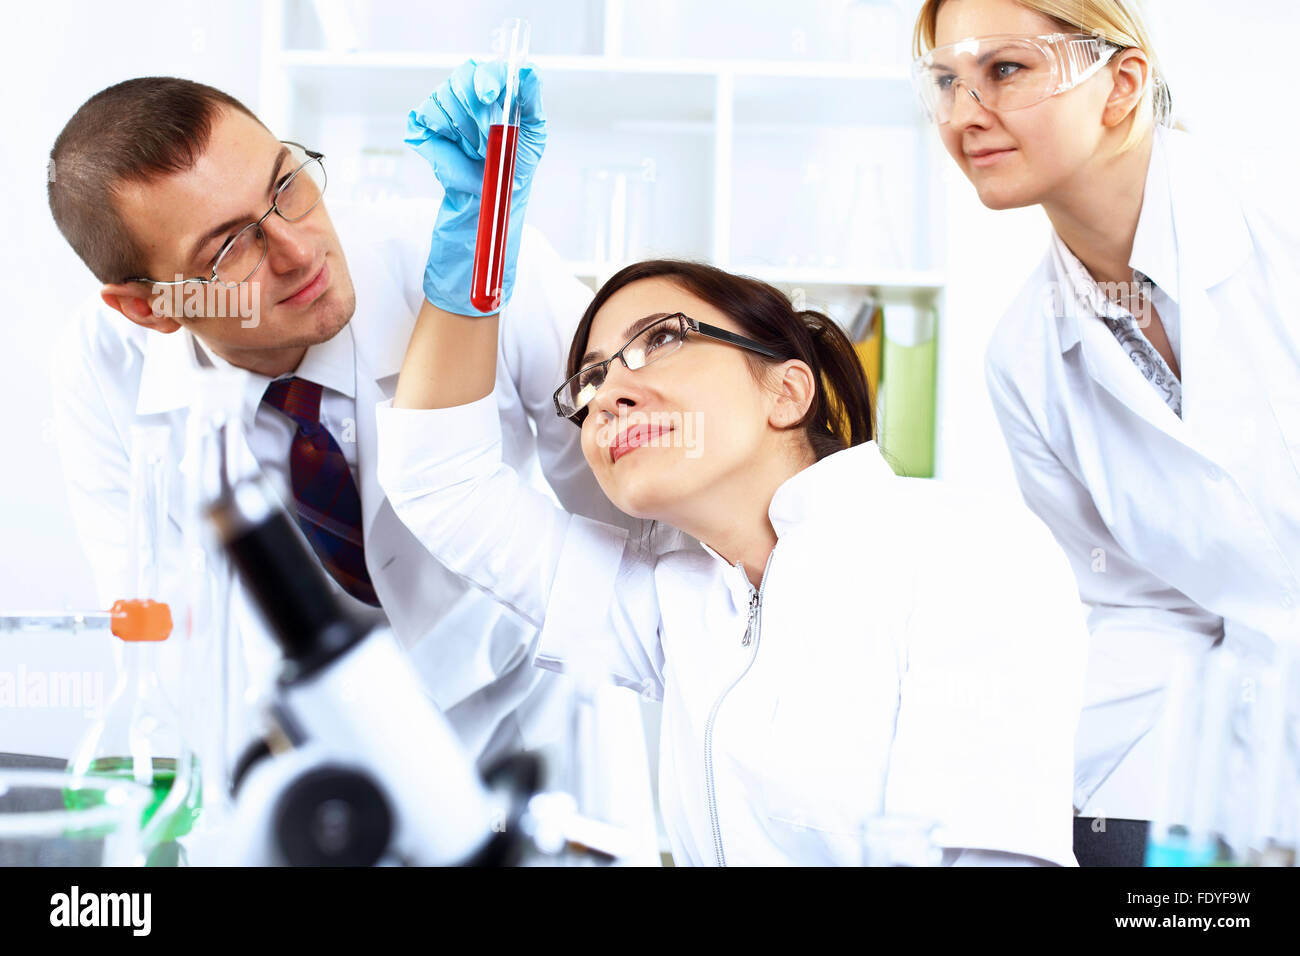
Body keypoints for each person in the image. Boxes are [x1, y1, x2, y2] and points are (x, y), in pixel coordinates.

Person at [375, 61, 1090, 866]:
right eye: (593, 379)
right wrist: (478, 245)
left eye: (662, 339)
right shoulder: (678, 600)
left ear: (787, 391)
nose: (610, 393)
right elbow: (445, 483)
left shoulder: (963, 551)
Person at [45, 75, 642, 778]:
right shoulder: (101, 368)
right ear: (149, 309)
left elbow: (625, 513)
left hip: (534, 713)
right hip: (309, 748)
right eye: (227, 249)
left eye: (287, 183)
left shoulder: (470, 261)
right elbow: (162, 625)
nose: (298, 251)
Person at [911, 0, 1300, 858]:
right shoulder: (1025, 359)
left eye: (1003, 69)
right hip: (1250, 789)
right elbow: (1144, 610)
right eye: (945, 82)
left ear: (1121, 82)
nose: (966, 112)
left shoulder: (1282, 230)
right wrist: (1044, 804)